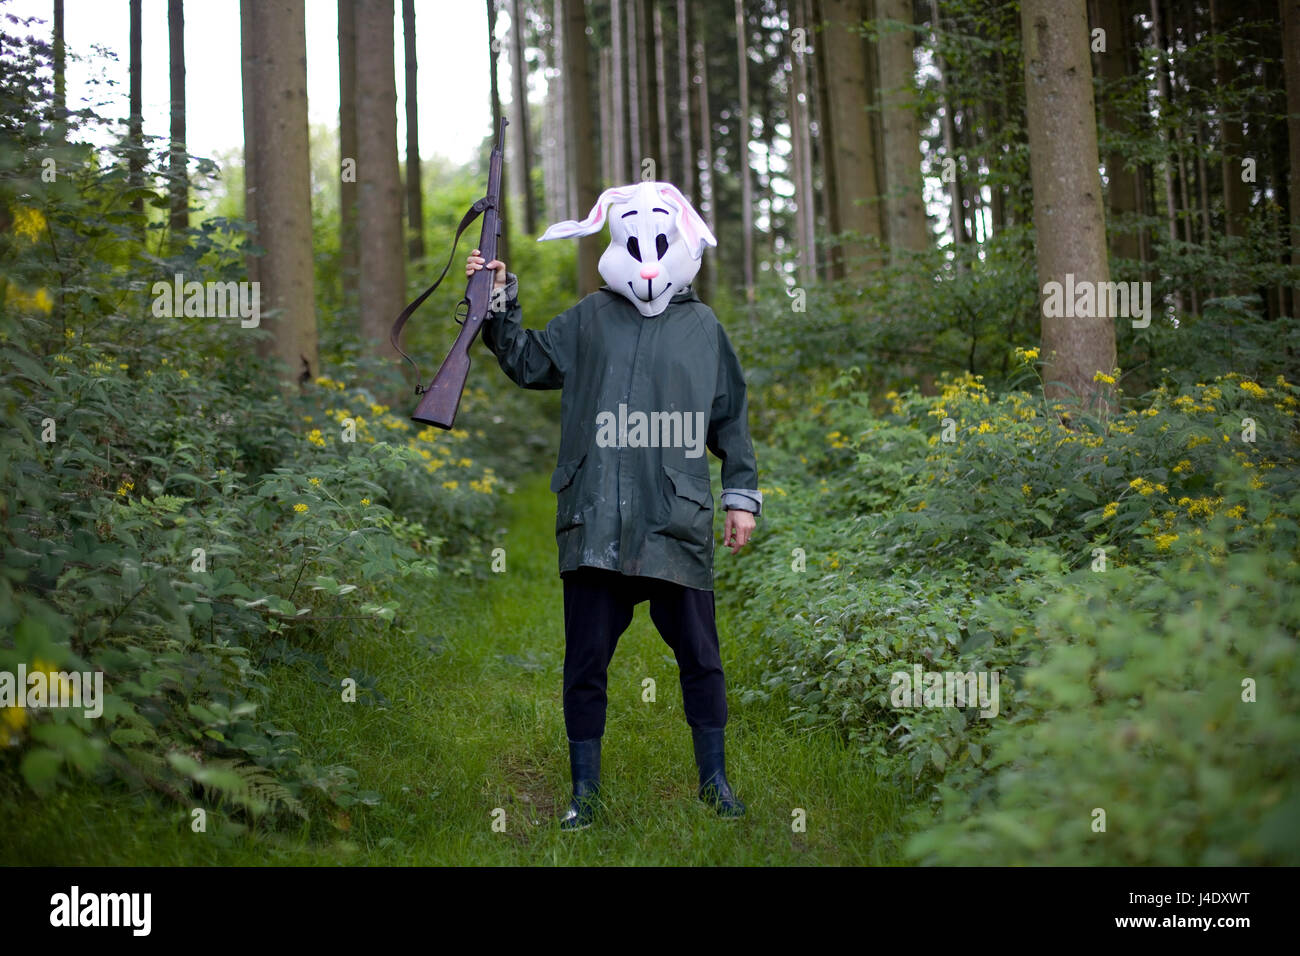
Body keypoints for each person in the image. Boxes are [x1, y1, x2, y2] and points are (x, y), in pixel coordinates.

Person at [466, 180, 761, 829]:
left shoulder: (704, 328)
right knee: (586, 661)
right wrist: (497, 301)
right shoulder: (589, 318)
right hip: (596, 517)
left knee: (702, 659)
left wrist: (741, 497)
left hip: (674, 519)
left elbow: (731, 418)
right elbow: (527, 359)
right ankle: (584, 795)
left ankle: (714, 783)